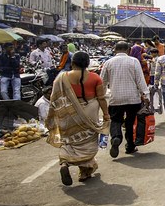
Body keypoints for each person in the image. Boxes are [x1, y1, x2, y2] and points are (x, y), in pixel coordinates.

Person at [46, 51, 110, 184]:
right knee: (87, 141)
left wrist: (53, 115)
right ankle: (84, 171)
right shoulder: (95, 78)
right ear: (87, 63)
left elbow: (54, 98)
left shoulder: (62, 77)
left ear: (73, 63)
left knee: (69, 140)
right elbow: (101, 98)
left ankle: (65, 163)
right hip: (90, 111)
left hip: (68, 113)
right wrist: (106, 114)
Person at [99, 41, 149, 157]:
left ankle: (116, 137)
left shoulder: (108, 62)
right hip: (133, 98)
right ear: (129, 50)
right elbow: (140, 80)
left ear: (114, 50)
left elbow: (102, 82)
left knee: (115, 120)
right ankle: (130, 146)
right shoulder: (134, 61)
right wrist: (146, 95)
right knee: (130, 122)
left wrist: (101, 96)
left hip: (115, 98)